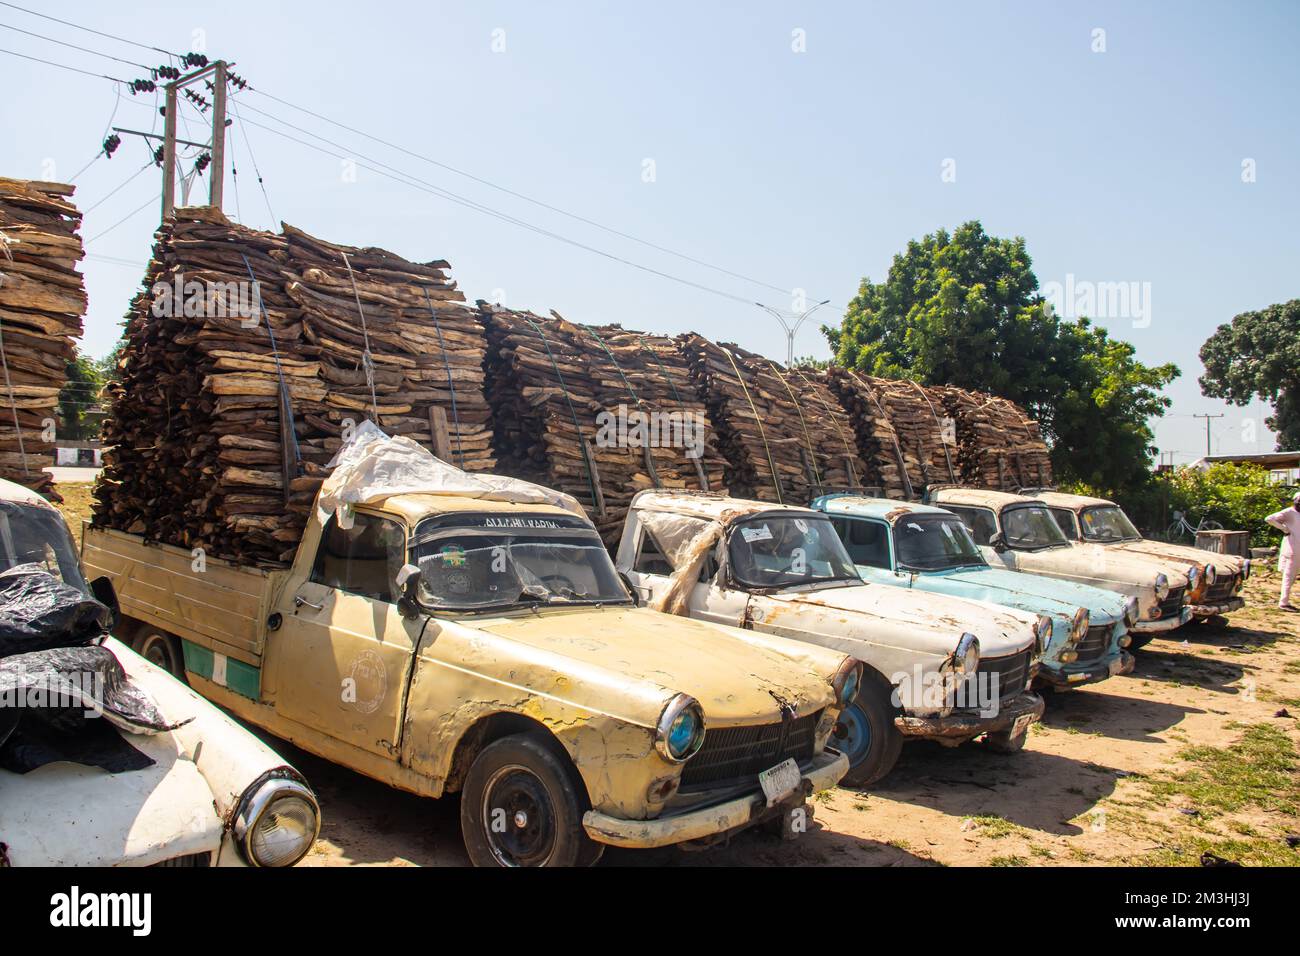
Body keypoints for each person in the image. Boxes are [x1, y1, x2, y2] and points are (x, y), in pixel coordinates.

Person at [1264, 492, 1300, 610]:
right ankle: (1283, 602)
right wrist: (1284, 529)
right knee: (1289, 575)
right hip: (1292, 548)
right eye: (1298, 500)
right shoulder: (1289, 512)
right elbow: (1269, 518)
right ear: (1294, 500)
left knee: (1292, 576)